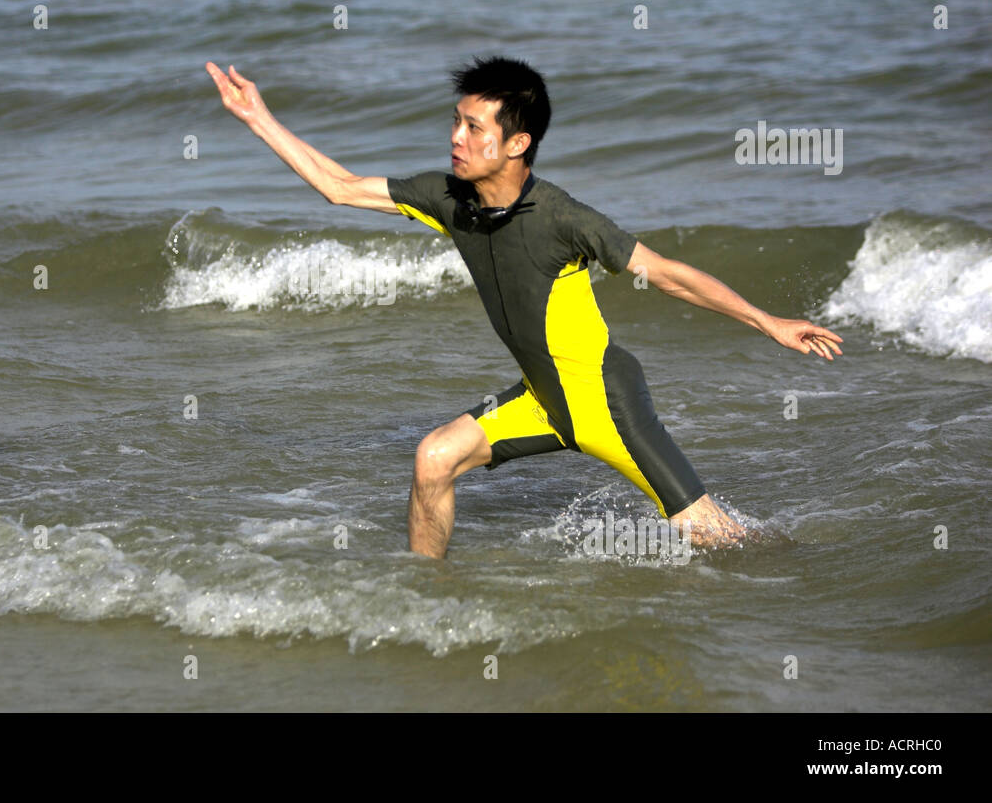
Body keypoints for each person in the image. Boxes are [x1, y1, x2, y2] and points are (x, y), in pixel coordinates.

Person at [205, 56, 843, 559]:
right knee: (434, 457)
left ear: (516, 143)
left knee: (713, 536)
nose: (456, 138)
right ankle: (424, 594)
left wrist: (769, 321)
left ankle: (817, 576)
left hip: (602, 398)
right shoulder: (450, 199)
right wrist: (256, 116)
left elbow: (668, 275)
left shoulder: (563, 219)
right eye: (455, 121)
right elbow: (339, 188)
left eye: (473, 127)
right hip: (541, 396)